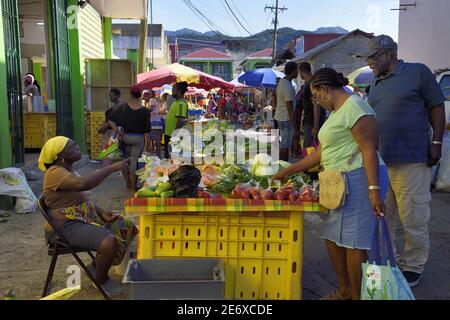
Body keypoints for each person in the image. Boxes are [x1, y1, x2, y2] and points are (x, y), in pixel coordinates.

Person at [273, 68, 388, 300]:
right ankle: (346, 290)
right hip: (338, 182)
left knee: (354, 244)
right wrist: (290, 170)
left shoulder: (356, 107)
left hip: (359, 178)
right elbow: (321, 151)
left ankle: (358, 296)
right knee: (333, 237)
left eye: (316, 95)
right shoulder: (337, 112)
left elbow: (369, 150)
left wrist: (374, 191)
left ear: (325, 90)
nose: (316, 101)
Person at [356, 35, 446, 287]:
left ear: (388, 54)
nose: (369, 63)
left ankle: (413, 266)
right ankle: (392, 261)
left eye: (372, 57)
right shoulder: (376, 82)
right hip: (383, 163)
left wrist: (436, 143)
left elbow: (437, 107)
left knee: (413, 218)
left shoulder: (417, 72)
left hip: (412, 159)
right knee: (386, 218)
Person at [39, 137, 137, 296]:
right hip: (63, 228)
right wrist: (111, 168)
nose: (77, 146)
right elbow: (82, 184)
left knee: (125, 225)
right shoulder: (54, 173)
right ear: (60, 156)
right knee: (108, 242)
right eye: (72, 146)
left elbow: (79, 198)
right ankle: (101, 279)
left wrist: (100, 211)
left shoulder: (68, 170)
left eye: (75, 143)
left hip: (77, 221)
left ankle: (95, 267)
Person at [108, 86, 151, 192]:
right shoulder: (145, 111)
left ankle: (127, 184)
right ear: (140, 95)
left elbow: (111, 120)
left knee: (125, 161)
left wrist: (117, 131)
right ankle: (133, 187)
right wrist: (148, 144)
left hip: (125, 137)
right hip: (138, 139)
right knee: (134, 162)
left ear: (130, 94)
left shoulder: (123, 108)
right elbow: (147, 131)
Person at [298, 62, 326, 149]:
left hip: (312, 120)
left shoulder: (311, 84)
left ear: (301, 71)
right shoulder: (311, 82)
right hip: (312, 119)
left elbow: (316, 105)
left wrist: (315, 125)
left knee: (309, 148)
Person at [274, 61, 299, 161]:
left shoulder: (281, 82)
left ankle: (282, 165)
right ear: (293, 71)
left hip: (280, 116)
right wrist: (294, 126)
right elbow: (289, 107)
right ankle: (283, 166)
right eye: (297, 69)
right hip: (285, 118)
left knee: (283, 144)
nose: (298, 72)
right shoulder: (288, 86)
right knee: (285, 145)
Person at [98, 89, 125, 164]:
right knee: (108, 152)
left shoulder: (121, 106)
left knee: (108, 152)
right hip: (110, 131)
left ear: (118, 96)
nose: (110, 97)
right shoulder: (115, 106)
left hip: (115, 131)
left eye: (111, 96)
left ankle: (106, 168)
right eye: (109, 96)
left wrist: (105, 127)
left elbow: (114, 120)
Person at [164, 82, 189, 159]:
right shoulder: (176, 102)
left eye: (173, 89)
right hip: (169, 133)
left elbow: (180, 120)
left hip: (173, 135)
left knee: (173, 159)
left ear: (179, 91)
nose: (172, 91)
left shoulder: (181, 103)